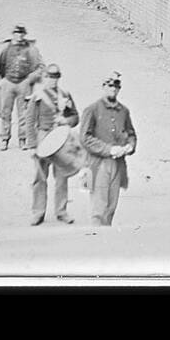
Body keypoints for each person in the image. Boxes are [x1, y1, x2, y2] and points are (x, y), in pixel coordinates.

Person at [26, 63, 81, 225]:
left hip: (61, 138)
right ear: (45, 78)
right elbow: (30, 121)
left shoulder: (65, 94)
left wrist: (66, 120)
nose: (53, 80)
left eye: (56, 77)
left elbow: (75, 117)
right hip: (43, 137)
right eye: (50, 77)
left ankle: (61, 211)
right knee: (40, 176)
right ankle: (38, 212)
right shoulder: (38, 96)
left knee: (62, 176)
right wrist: (32, 145)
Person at [79, 71, 137, 226]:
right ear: (103, 87)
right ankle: (97, 241)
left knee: (112, 205)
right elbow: (85, 138)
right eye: (110, 85)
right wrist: (108, 149)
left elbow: (131, 133)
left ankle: (106, 239)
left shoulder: (123, 111)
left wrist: (130, 146)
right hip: (97, 163)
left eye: (116, 86)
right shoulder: (92, 110)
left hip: (118, 163)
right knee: (98, 207)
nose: (113, 89)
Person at [0, 26, 44, 151]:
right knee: (5, 112)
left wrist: (30, 78)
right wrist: (0, 81)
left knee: (24, 113)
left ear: (24, 34)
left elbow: (40, 66)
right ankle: (5, 139)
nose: (19, 35)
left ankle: (22, 140)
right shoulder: (4, 48)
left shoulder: (31, 49)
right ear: (13, 34)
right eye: (16, 33)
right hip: (8, 83)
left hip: (23, 84)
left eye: (21, 33)